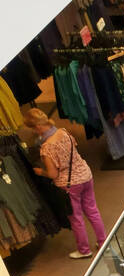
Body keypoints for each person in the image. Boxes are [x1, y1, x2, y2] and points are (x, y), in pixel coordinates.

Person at [24, 107, 107, 260]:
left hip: (69, 185)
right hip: (85, 175)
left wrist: (40, 172)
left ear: (38, 127)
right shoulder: (64, 132)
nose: (34, 132)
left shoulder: (47, 147)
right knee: (92, 210)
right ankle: (103, 242)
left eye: (33, 129)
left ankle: (84, 250)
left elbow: (53, 174)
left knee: (76, 218)